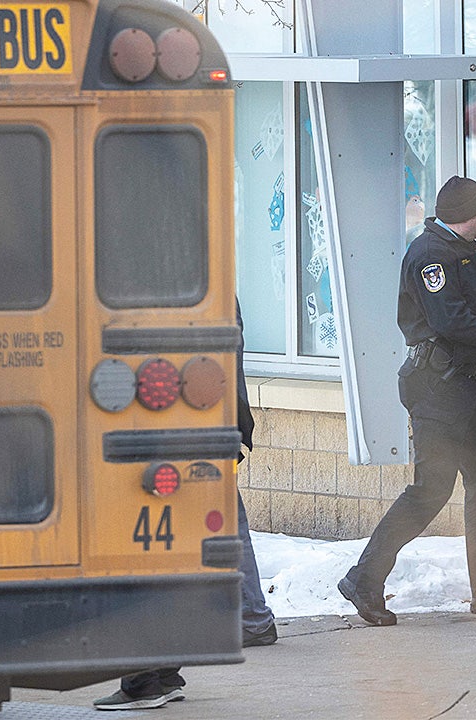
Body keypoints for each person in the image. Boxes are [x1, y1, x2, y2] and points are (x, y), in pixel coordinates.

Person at [338, 176, 476, 626]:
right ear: (463, 214)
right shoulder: (430, 256)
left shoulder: (463, 251)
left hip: (464, 390)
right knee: (430, 491)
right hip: (436, 392)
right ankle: (364, 579)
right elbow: (451, 320)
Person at [93, 303, 276, 711]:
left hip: (162, 433)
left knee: (147, 547)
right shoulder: (204, 284)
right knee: (192, 536)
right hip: (204, 428)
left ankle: (145, 679)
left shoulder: (148, 286)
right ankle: (165, 671)